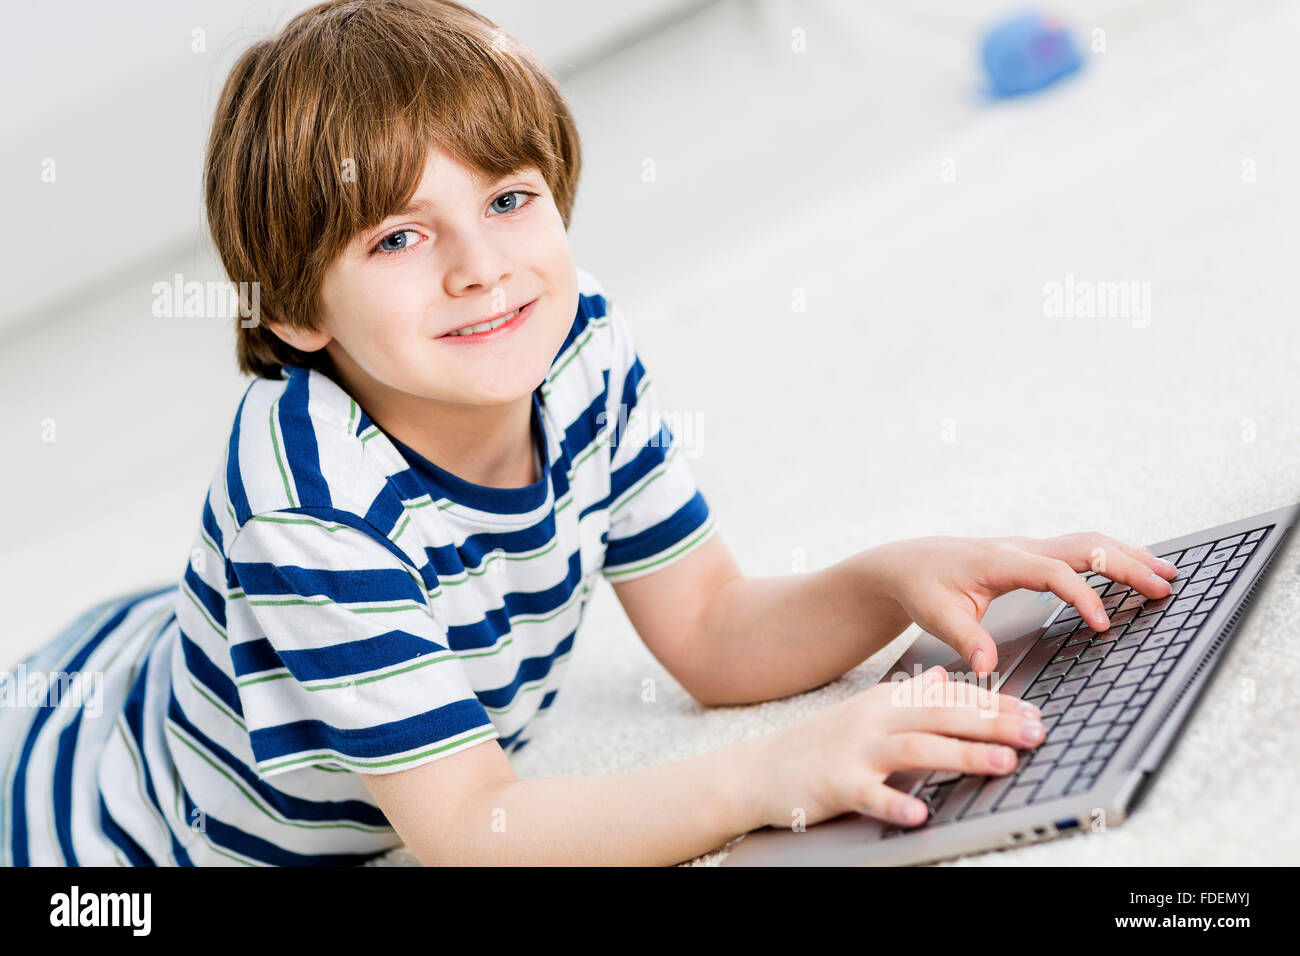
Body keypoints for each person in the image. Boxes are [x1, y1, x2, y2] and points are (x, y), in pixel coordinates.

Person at [0, 0, 1179, 866]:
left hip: (173, 641)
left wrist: (892, 577)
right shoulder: (307, 513)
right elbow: (469, 826)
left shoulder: (574, 349)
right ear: (298, 309)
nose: (484, 270)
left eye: (508, 200)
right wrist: (767, 778)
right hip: (84, 810)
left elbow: (714, 631)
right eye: (399, 238)